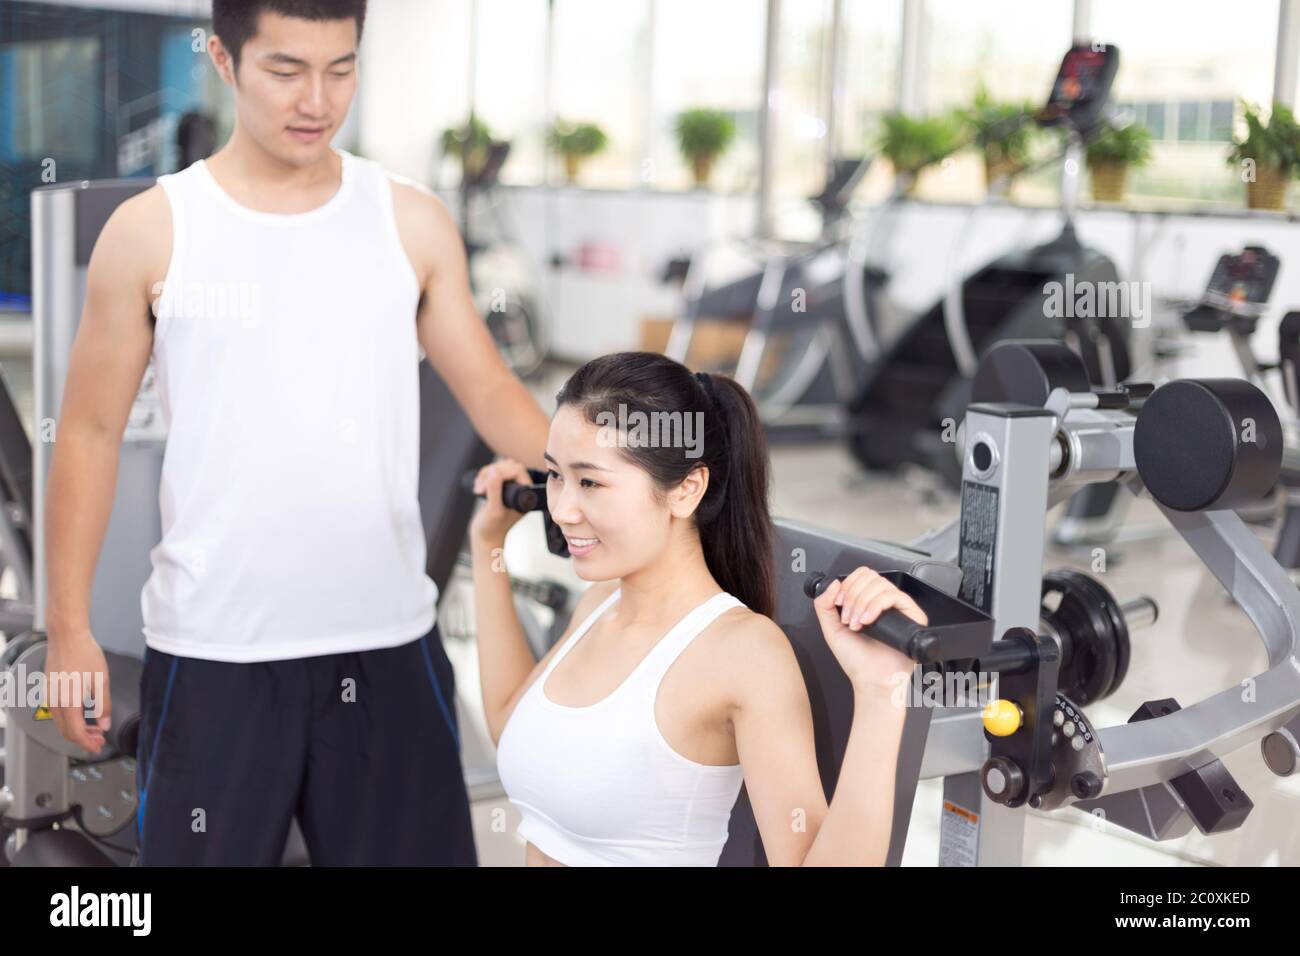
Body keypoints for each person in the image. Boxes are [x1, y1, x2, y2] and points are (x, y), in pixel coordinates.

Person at [42, 0, 550, 865]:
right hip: (216, 654)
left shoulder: (410, 220)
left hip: (387, 641)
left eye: (341, 68)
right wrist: (67, 632)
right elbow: (87, 431)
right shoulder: (155, 231)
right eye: (286, 69)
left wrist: (614, 475)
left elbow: (491, 389)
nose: (317, 99)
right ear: (223, 60)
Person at [469, 352, 924, 866]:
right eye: (555, 476)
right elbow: (513, 727)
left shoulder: (743, 654)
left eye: (590, 482)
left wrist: (880, 692)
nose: (562, 509)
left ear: (687, 489)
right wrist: (489, 548)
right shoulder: (600, 604)